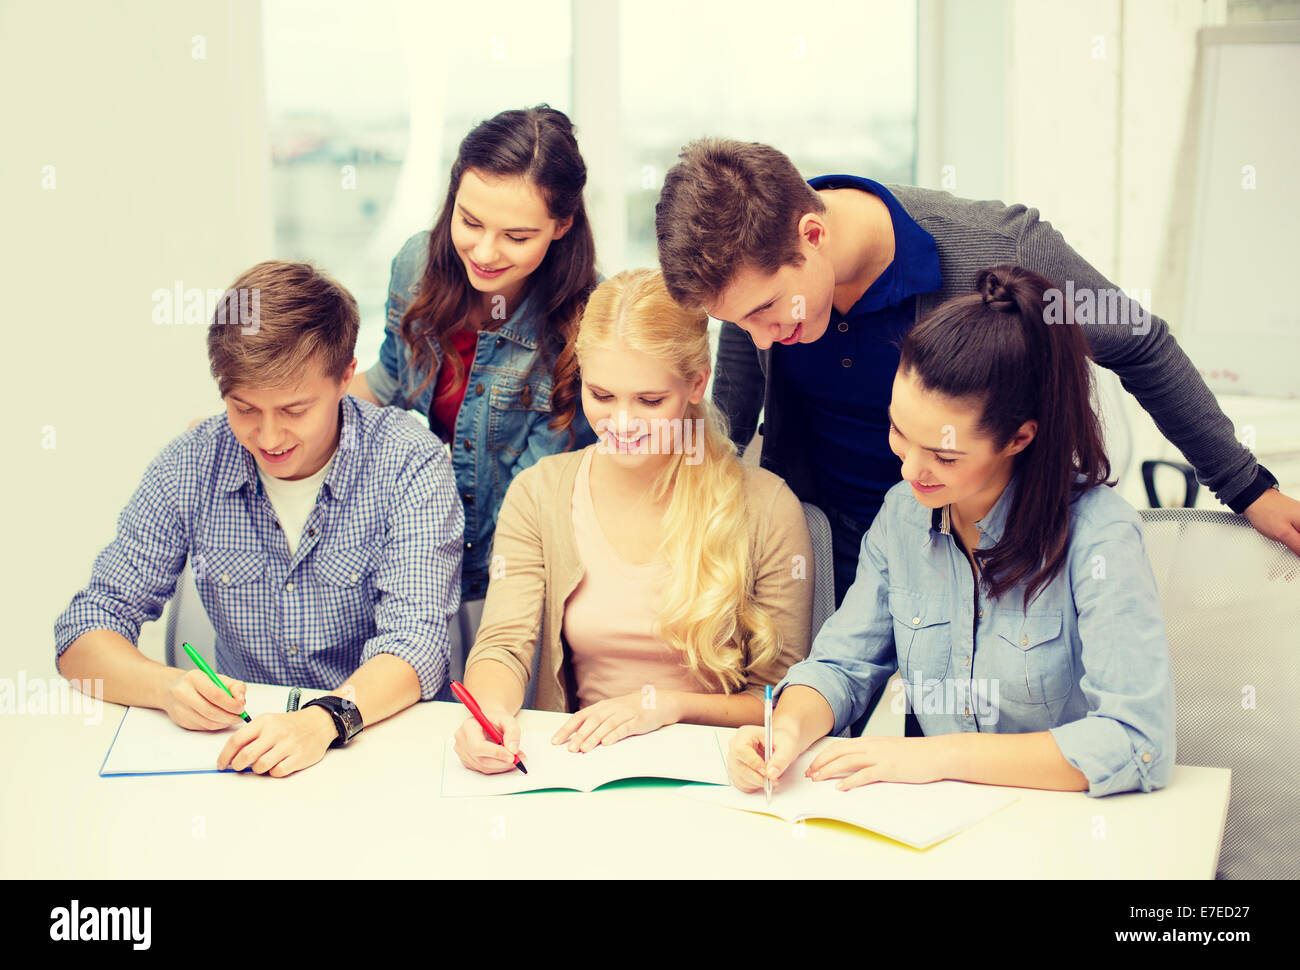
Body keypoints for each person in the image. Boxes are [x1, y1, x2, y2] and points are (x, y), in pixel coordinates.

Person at [654, 137, 1300, 612]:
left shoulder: (1005, 251)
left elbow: (1142, 346)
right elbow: (737, 411)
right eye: (738, 322)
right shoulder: (756, 287)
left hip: (985, 564)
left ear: (813, 235)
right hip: (834, 556)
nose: (762, 334)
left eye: (767, 311)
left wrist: (1248, 489)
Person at [727, 265, 1174, 798]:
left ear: (1019, 438)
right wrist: (785, 730)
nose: (909, 471)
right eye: (897, 430)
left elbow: (1135, 742)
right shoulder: (903, 515)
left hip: (1061, 832)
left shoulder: (1100, 537)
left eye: (943, 454)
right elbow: (841, 666)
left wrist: (938, 757)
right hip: (936, 829)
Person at [55, 261, 464, 777]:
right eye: (244, 408)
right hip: (245, 755)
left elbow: (417, 645)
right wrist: (167, 687)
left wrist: (320, 723)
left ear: (345, 378)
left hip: (379, 749)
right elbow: (84, 630)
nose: (269, 439)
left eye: (294, 411)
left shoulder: (409, 462)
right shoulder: (193, 463)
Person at [452, 269, 814, 773]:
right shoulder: (540, 494)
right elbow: (504, 645)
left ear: (696, 384)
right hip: (579, 769)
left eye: (648, 401)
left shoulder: (767, 507)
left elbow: (780, 697)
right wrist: (489, 713)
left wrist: (665, 706)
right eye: (601, 396)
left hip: (718, 776)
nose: (620, 425)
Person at [349, 105, 599, 686]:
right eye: (470, 221)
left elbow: (540, 496)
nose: (485, 252)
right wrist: (282, 411)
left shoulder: (586, 320)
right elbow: (387, 383)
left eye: (517, 235)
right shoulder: (416, 264)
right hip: (414, 548)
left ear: (562, 225)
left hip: (515, 572)